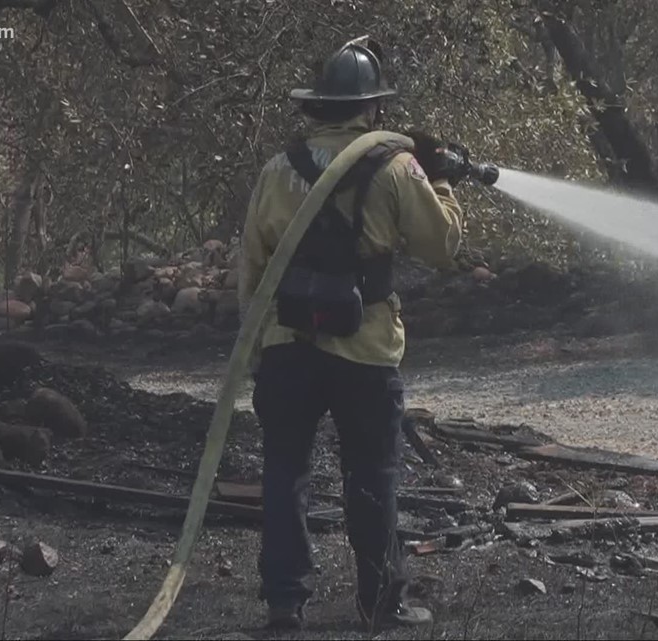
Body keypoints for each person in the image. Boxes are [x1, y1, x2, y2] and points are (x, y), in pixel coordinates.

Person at [237, 36, 484, 632]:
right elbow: (441, 245)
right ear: (372, 107)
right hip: (366, 349)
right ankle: (379, 604)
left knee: (283, 472)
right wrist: (444, 180)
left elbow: (253, 264)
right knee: (372, 475)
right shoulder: (396, 166)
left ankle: (284, 602)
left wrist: (254, 350)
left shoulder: (278, 169)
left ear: (320, 103)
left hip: (287, 346)